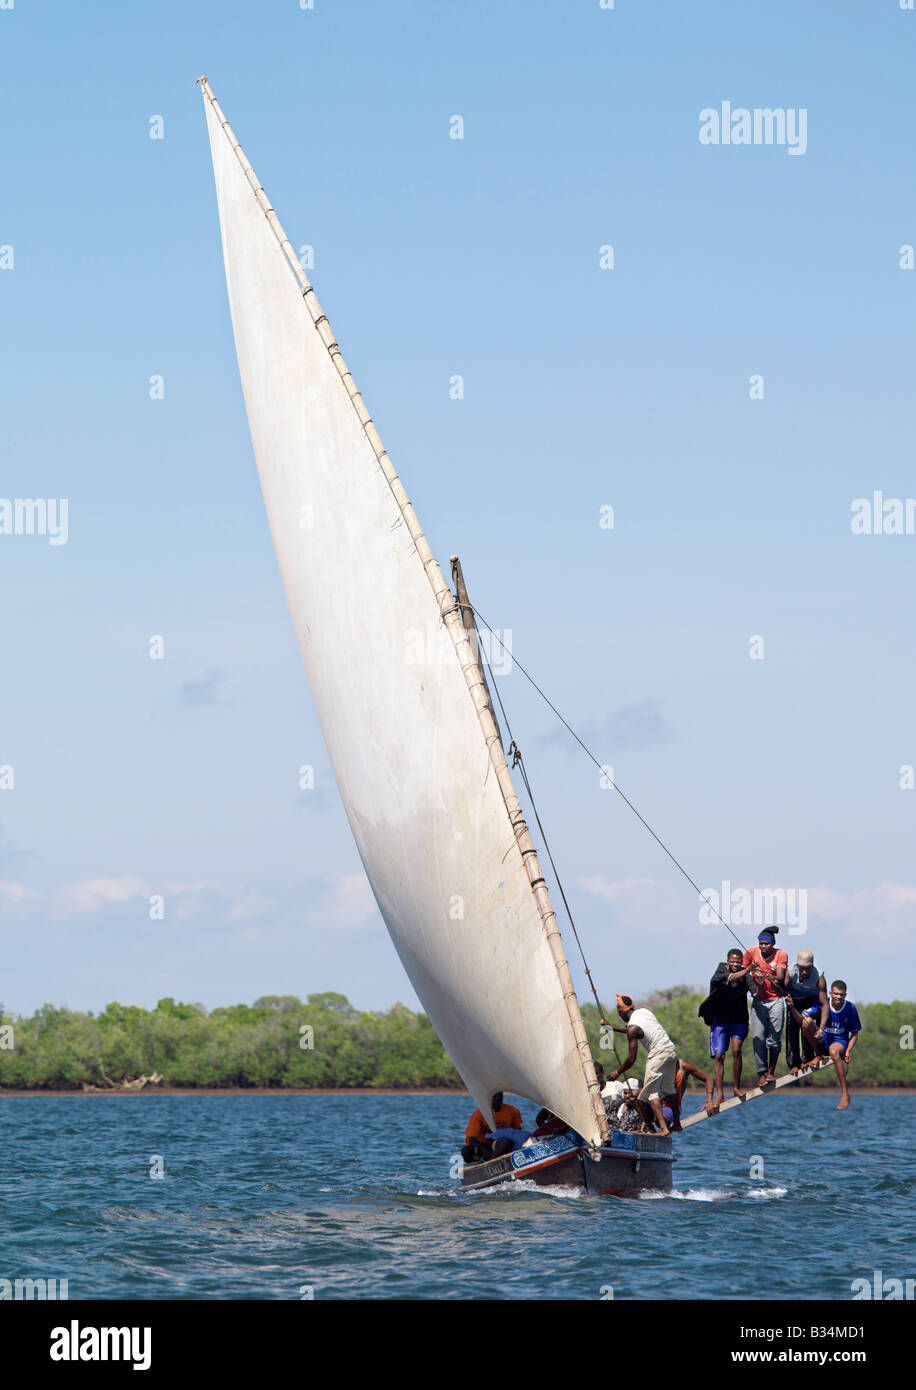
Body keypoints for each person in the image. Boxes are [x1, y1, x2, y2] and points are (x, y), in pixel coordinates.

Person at [602, 994, 679, 1137]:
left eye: (619, 1014)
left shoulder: (633, 1028)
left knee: (649, 1095)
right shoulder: (643, 1012)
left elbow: (631, 1059)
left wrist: (617, 1072)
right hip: (671, 1052)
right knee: (670, 1089)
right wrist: (611, 1028)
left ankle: (663, 1128)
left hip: (657, 1055)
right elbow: (632, 1029)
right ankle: (677, 1124)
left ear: (622, 1012)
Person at [790, 980, 861, 1110]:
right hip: (823, 1040)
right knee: (807, 1022)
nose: (838, 997)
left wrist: (847, 1051)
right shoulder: (822, 1004)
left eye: (842, 995)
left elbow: (855, 1034)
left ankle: (845, 1094)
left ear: (845, 995)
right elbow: (802, 1019)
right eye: (836, 994)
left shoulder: (850, 1008)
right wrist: (792, 1007)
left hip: (839, 1042)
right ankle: (818, 1055)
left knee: (834, 1052)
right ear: (830, 993)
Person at [732, 929, 789, 1083]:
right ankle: (761, 1073)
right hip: (759, 1000)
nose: (763, 946)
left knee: (774, 1038)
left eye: (767, 944)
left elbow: (781, 976)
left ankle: (771, 1071)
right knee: (758, 1037)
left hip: (776, 1000)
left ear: (773, 944)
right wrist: (753, 973)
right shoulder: (751, 953)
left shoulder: (781, 955)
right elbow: (743, 971)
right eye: (761, 943)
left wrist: (771, 976)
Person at [698, 947, 750, 1103]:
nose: (735, 964)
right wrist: (747, 969)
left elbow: (756, 992)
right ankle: (720, 1094)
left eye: (738, 962)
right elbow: (730, 978)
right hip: (720, 1020)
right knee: (719, 1056)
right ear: (727, 961)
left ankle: (736, 1087)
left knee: (736, 1050)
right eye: (733, 961)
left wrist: (760, 980)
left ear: (742, 962)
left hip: (738, 1020)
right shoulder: (720, 972)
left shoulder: (746, 975)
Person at [785, 949, 828, 1072]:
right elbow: (783, 990)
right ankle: (794, 1064)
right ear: (797, 966)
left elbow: (824, 1004)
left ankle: (808, 1058)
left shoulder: (819, 976)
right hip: (795, 1000)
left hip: (812, 1000)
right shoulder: (790, 972)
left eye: (807, 968)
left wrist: (821, 1029)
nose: (804, 971)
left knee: (807, 1025)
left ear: (812, 966)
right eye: (802, 968)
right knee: (791, 1030)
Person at [462, 1091, 523, 1163]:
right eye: (494, 1097)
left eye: (499, 1096)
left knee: (505, 1142)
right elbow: (471, 1139)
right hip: (485, 1145)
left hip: (502, 1142)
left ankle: (491, 1162)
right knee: (466, 1151)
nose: (497, 1099)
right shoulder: (479, 1114)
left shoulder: (512, 1110)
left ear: (502, 1097)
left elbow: (518, 1131)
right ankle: (479, 1166)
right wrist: (485, 1151)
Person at [673, 1055, 718, 1124]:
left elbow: (708, 1079)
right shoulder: (654, 1065)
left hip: (672, 1109)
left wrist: (709, 1101)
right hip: (656, 1106)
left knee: (663, 1117)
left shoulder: (683, 1066)